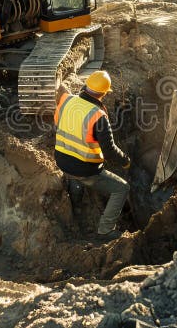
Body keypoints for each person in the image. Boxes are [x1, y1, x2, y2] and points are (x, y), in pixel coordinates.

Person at [54, 71, 131, 237]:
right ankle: (105, 229)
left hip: (61, 160)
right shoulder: (98, 116)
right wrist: (125, 161)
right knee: (122, 189)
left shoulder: (67, 100)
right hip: (84, 169)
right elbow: (109, 151)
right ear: (104, 93)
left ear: (85, 86)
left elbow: (57, 121)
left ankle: (76, 196)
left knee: (76, 175)